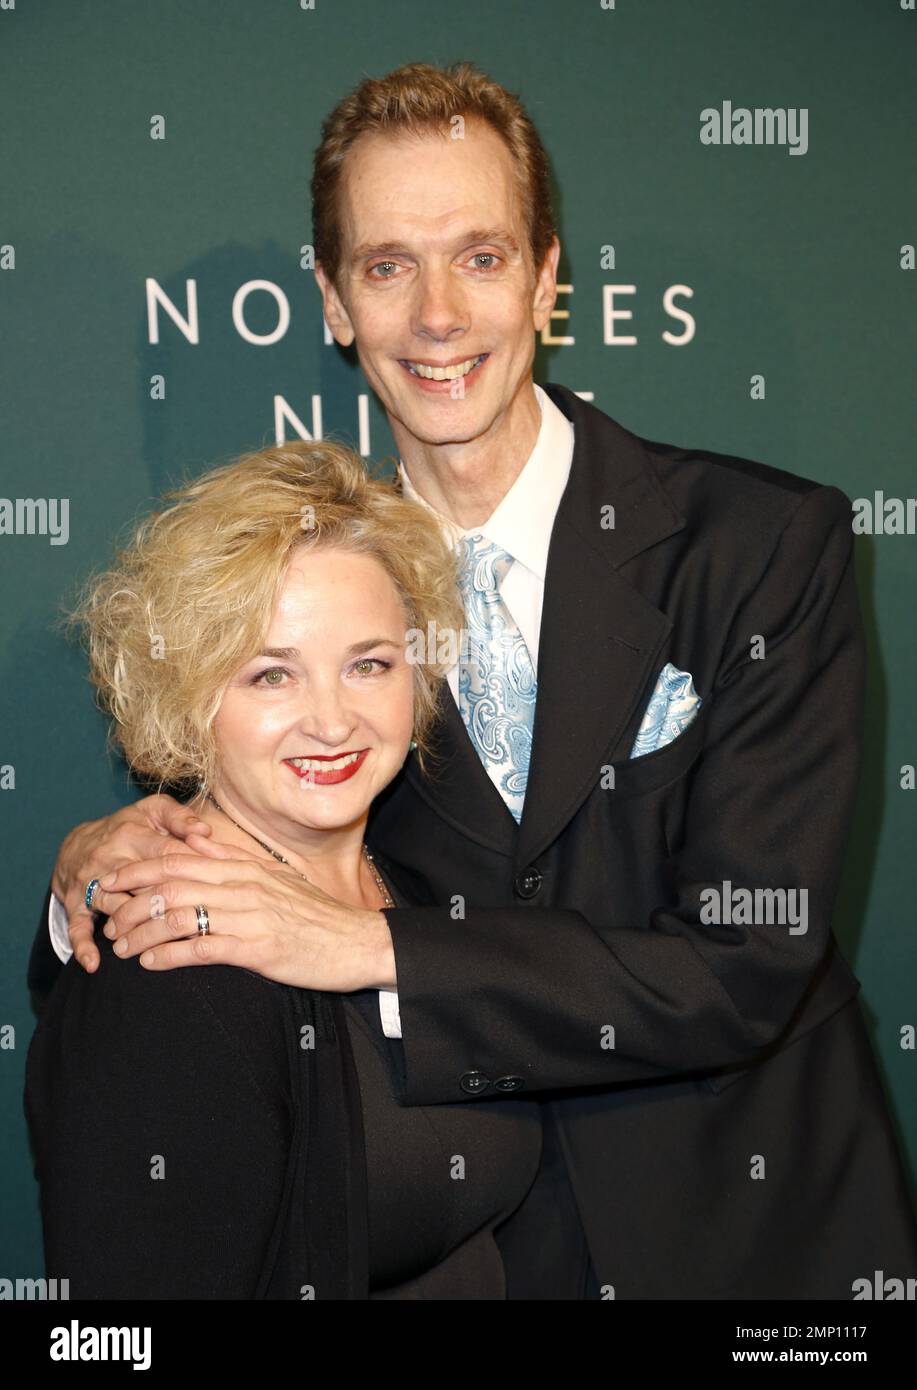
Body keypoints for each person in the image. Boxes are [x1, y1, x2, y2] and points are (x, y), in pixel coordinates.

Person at [30, 61, 917, 1299]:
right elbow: (191, 875)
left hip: (760, 1246)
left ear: (549, 280)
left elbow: (745, 961)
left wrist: (376, 949)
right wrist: (92, 859)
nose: (437, 315)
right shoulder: (307, 598)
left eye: (480, 257)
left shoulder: (763, 545)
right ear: (335, 302)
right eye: (388, 266)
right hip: (475, 1256)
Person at [24, 439, 544, 1299]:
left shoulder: (419, 878)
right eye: (272, 675)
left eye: (368, 664)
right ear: (187, 696)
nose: (332, 721)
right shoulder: (170, 960)